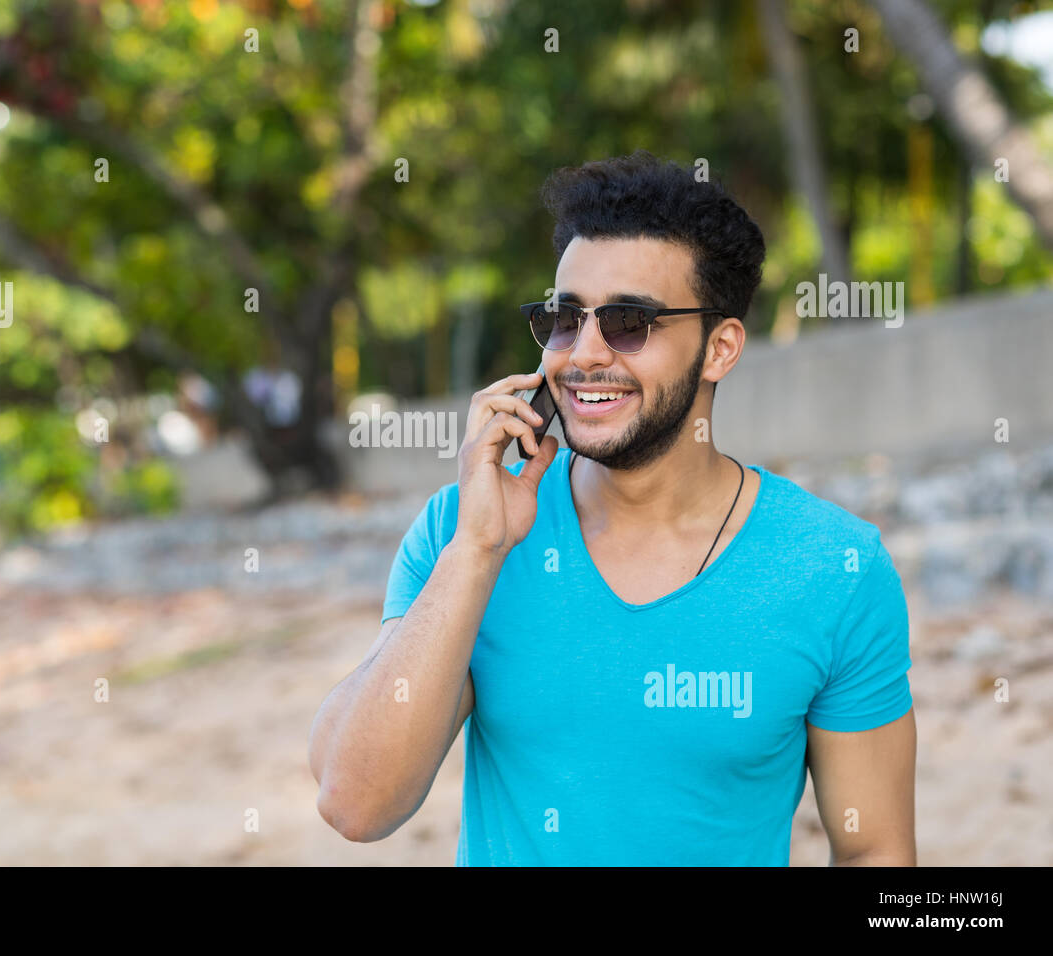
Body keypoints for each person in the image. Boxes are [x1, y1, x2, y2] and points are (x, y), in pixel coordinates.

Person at [309, 151, 916, 866]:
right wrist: (476, 553)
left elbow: (874, 848)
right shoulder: (461, 532)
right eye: (564, 319)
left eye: (630, 321)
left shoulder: (833, 567)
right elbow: (356, 803)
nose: (584, 354)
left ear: (719, 348)